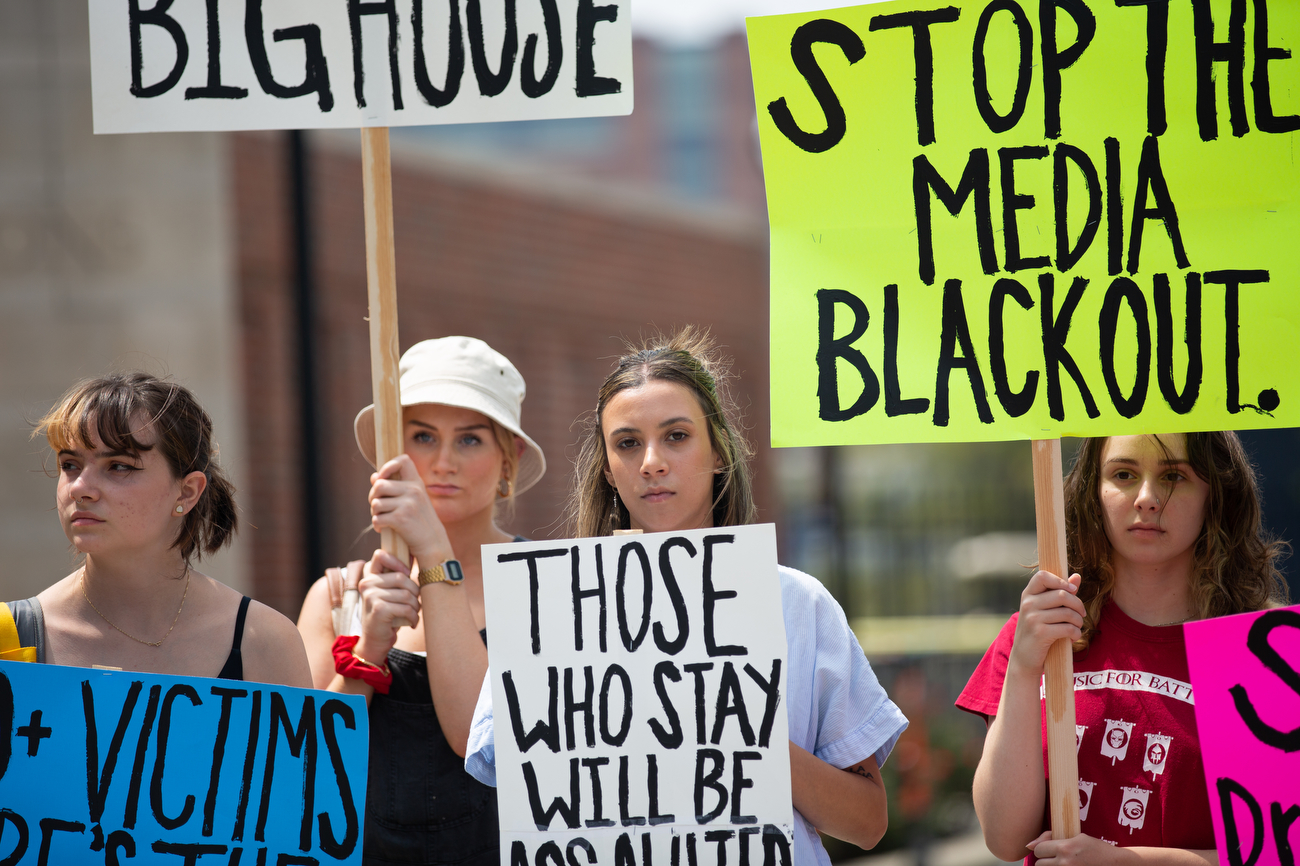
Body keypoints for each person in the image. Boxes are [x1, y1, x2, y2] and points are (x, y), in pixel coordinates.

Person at [464, 328, 908, 865]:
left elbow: (866, 823)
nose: (651, 461)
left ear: (719, 451)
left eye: (676, 436)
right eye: (627, 443)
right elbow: (516, 787)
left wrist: (738, 736)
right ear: (608, 468)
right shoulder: (553, 612)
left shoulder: (797, 603)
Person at [957, 433, 1288, 866]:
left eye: (1173, 476)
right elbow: (1004, 838)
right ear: (1094, 491)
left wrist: (1126, 862)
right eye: (1124, 474)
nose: (1147, 498)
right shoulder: (1036, 637)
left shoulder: (1265, 653)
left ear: (1217, 494)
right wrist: (1022, 667)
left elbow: (1277, 855)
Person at [295, 336, 546, 866]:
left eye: (471, 440)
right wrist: (367, 651)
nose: (443, 462)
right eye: (423, 437)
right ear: (393, 452)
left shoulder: (548, 587)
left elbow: (483, 743)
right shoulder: (340, 594)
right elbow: (307, 767)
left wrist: (432, 553)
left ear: (510, 457)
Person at [4, 373, 310, 686]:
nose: (80, 488)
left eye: (119, 466)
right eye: (70, 464)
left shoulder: (264, 641)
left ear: (187, 492)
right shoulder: (7, 639)